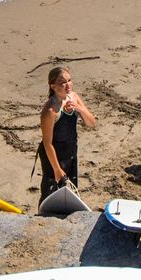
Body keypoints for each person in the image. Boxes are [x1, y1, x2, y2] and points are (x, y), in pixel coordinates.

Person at [38, 66, 98, 201]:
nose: (68, 85)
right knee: (50, 192)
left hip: (70, 152)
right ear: (53, 86)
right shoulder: (50, 110)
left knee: (71, 191)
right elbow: (47, 143)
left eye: (69, 80)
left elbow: (91, 123)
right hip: (53, 155)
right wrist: (57, 169)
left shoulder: (74, 97)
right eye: (62, 82)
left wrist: (79, 108)